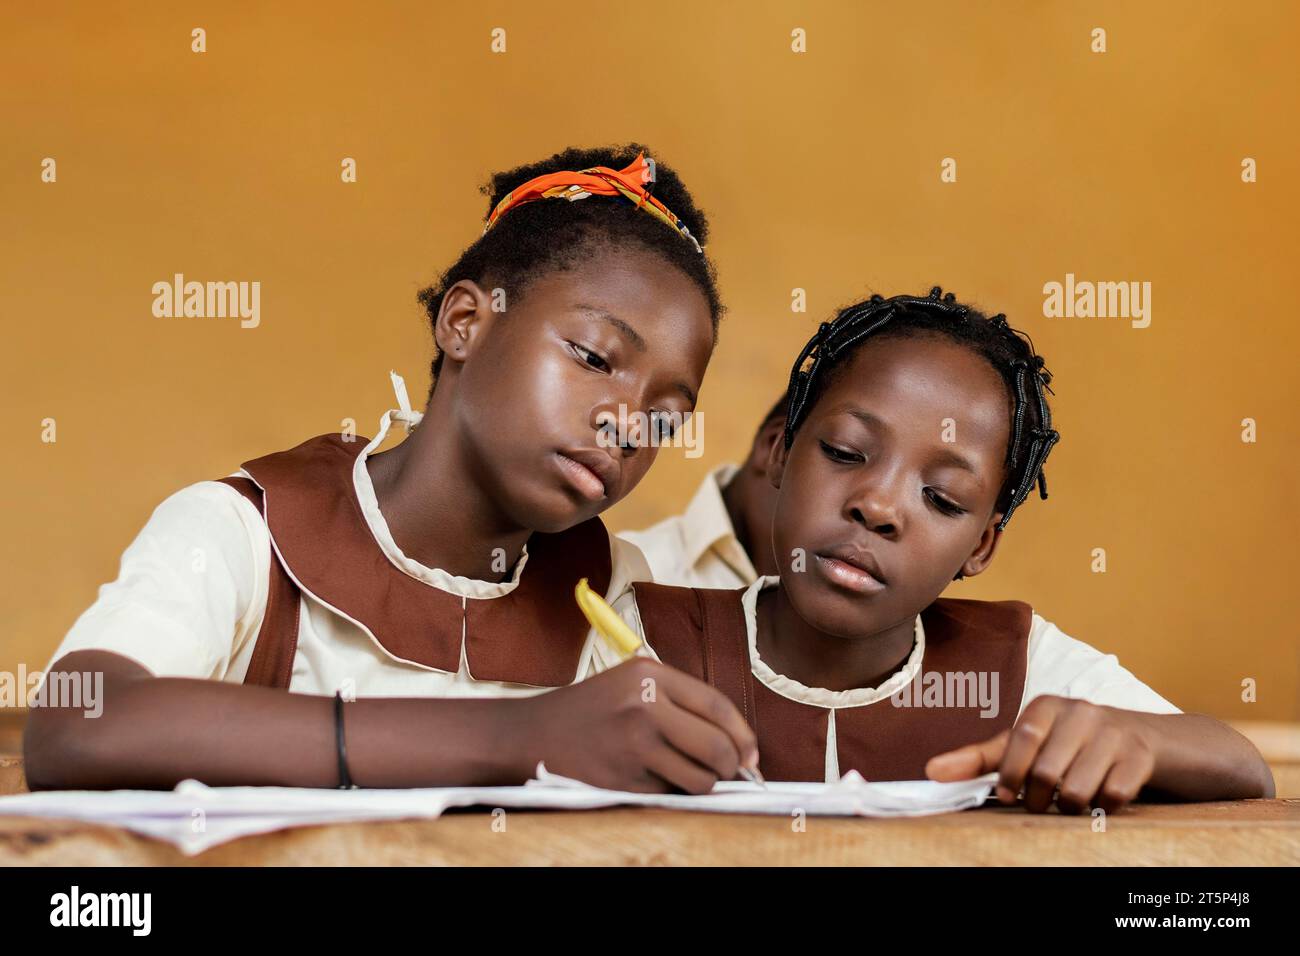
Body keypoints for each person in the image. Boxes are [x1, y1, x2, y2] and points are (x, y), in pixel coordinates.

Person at [25, 144, 759, 794]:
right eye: (594, 357)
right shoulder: (244, 538)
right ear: (465, 322)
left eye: (666, 418)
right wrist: (517, 737)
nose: (628, 425)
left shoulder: (611, 596)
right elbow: (75, 724)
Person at [630, 288, 1274, 811]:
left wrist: (1139, 737)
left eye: (941, 498)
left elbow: (1245, 769)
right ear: (779, 453)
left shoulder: (1014, 665)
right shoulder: (640, 633)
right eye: (846, 453)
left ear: (981, 547)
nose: (878, 508)